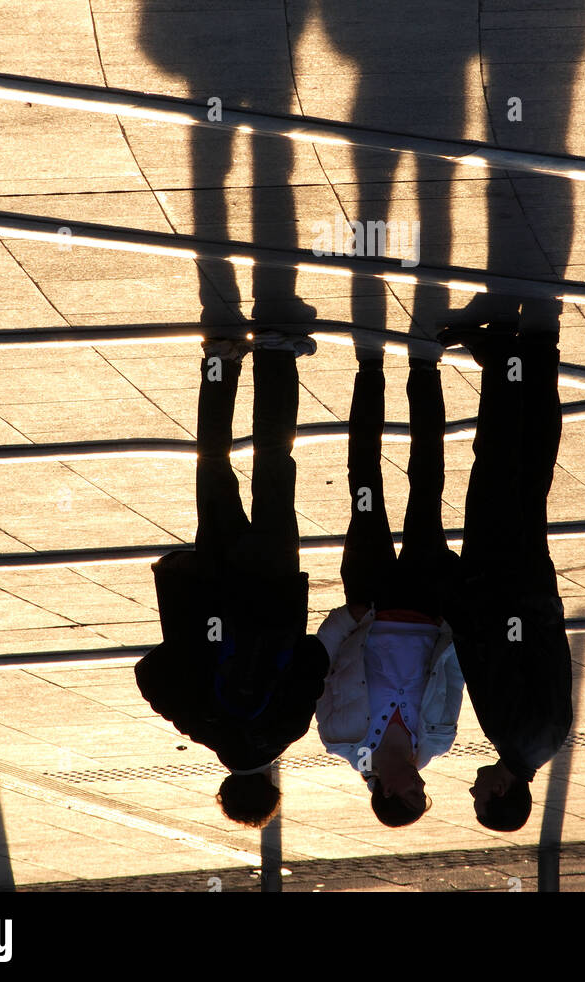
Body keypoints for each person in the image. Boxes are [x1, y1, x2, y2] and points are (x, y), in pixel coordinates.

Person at [134, 332, 329, 827]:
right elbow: (149, 671)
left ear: (269, 783)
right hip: (213, 584)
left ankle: (276, 355)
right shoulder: (200, 723)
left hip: (273, 584)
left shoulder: (287, 727)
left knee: (274, 467)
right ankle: (219, 363)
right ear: (224, 785)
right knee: (213, 467)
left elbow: (312, 657)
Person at [315, 351, 464, 827]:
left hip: (370, 598)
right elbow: (455, 676)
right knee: (427, 487)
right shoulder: (437, 740)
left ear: (387, 793)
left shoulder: (340, 737)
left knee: (366, 482)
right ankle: (425, 373)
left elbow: (318, 668)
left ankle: (369, 371)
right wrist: (454, 622)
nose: (423, 789)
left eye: (414, 796)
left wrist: (346, 618)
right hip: (426, 600)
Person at [438, 322, 574, 832]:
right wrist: (466, 595)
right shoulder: (511, 735)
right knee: (496, 467)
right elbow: (496, 650)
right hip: (501, 580)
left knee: (531, 473)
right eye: (479, 799)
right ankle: (501, 359)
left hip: (534, 588)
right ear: (500, 792)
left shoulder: (547, 742)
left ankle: (538, 354)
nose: (473, 789)